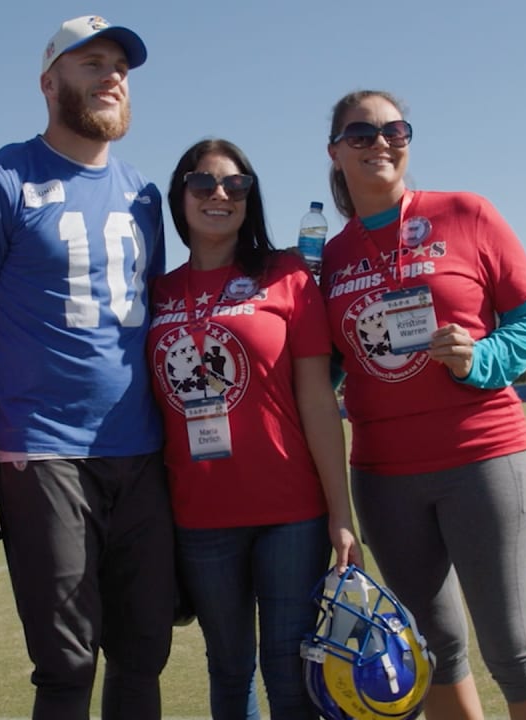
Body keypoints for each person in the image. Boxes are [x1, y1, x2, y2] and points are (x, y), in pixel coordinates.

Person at [0, 15, 173, 720]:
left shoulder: (144, 194)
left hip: (140, 451)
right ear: (49, 82)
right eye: (91, 63)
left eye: (121, 69)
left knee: (143, 651)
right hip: (44, 453)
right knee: (68, 661)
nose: (111, 78)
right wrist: (14, 411)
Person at [319, 89, 526, 720]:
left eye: (394, 130)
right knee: (432, 651)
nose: (380, 142)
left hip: (483, 458)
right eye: (361, 134)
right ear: (335, 152)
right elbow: (320, 370)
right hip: (383, 479)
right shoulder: (329, 258)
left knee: (515, 651)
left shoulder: (466, 212)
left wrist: (481, 358)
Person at [147, 138, 362, 720]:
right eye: (204, 183)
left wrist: (340, 515)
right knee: (228, 670)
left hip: (290, 512)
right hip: (199, 516)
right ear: (180, 196)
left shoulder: (287, 275)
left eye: (236, 184)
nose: (220, 194)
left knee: (290, 673)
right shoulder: (156, 293)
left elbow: (319, 398)